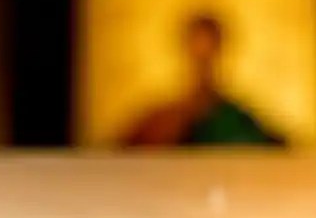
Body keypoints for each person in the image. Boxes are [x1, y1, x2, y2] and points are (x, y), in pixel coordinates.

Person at [122, 12, 285, 147]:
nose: (202, 66)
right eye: (197, 57)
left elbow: (272, 151)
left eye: (208, 57)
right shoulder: (159, 121)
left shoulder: (238, 120)